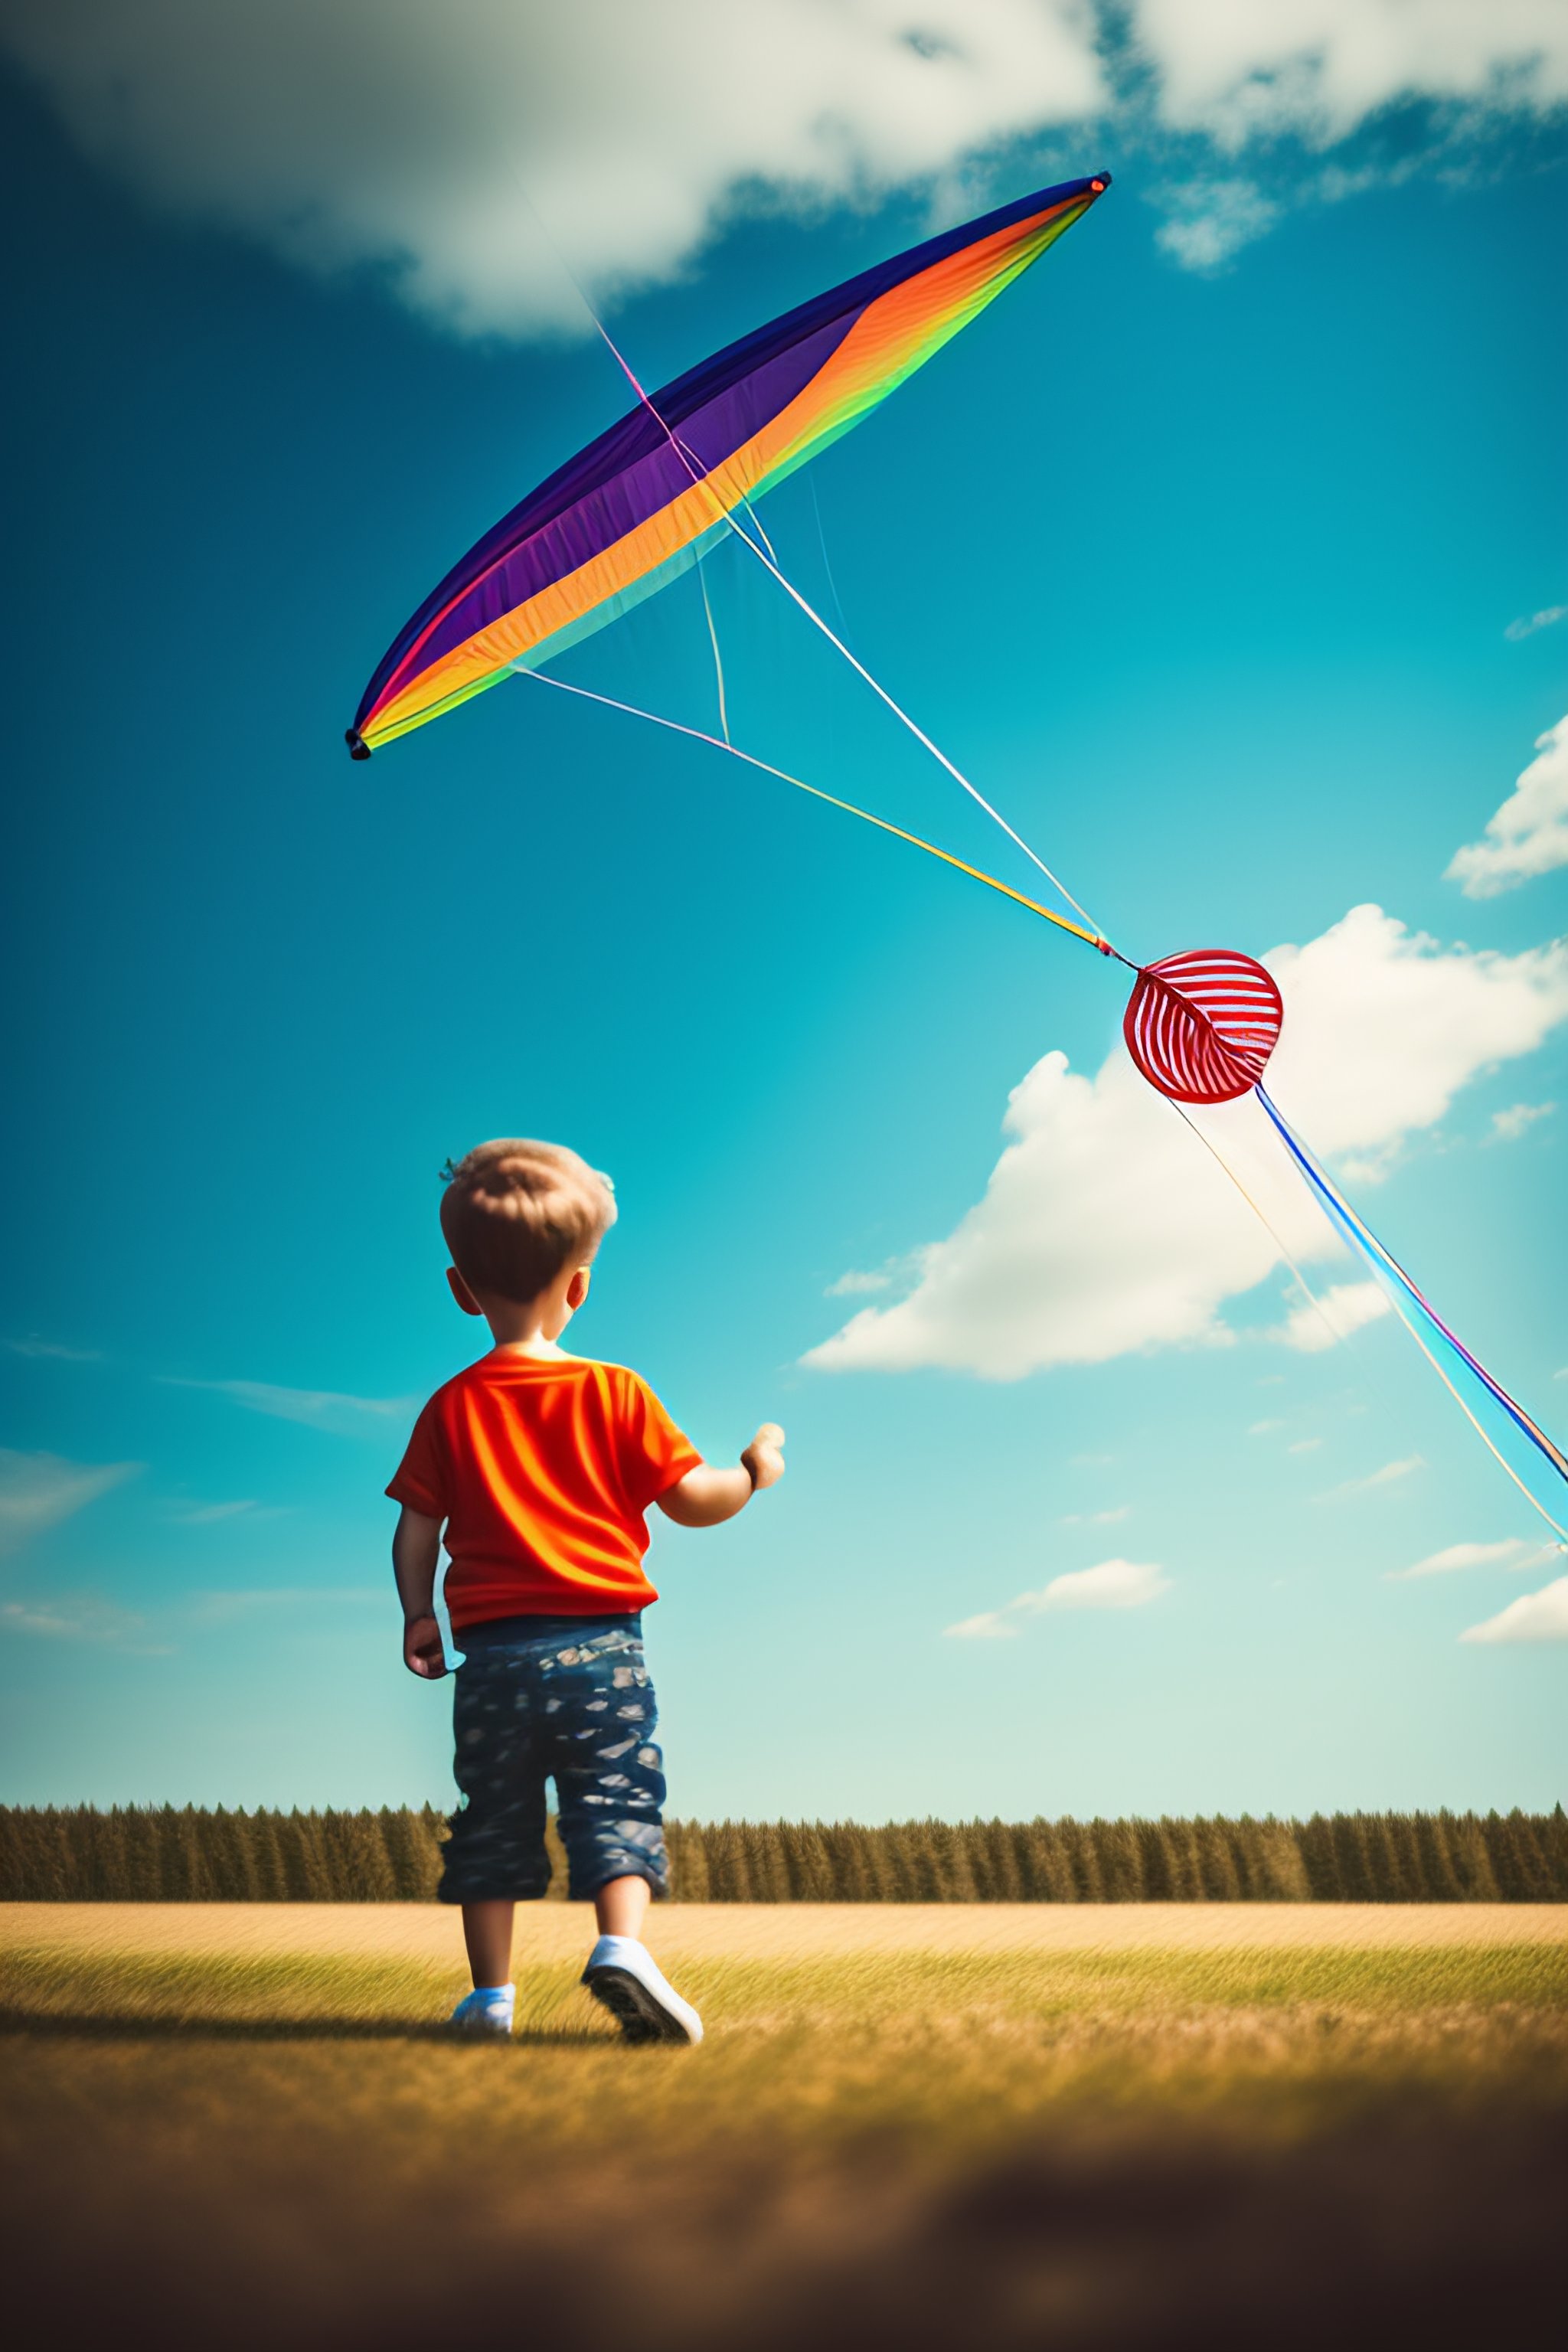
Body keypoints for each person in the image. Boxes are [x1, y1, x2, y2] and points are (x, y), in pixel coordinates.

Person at [387, 1137, 784, 2047]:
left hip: (490, 1657)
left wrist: (417, 1613)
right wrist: (753, 1471)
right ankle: (621, 1945)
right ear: (579, 1287)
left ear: (460, 1289)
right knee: (613, 1796)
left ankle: (490, 1999)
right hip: (601, 1648)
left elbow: (417, 1528)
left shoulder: (450, 1406)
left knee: (491, 1818)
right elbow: (695, 1504)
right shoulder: (615, 1392)